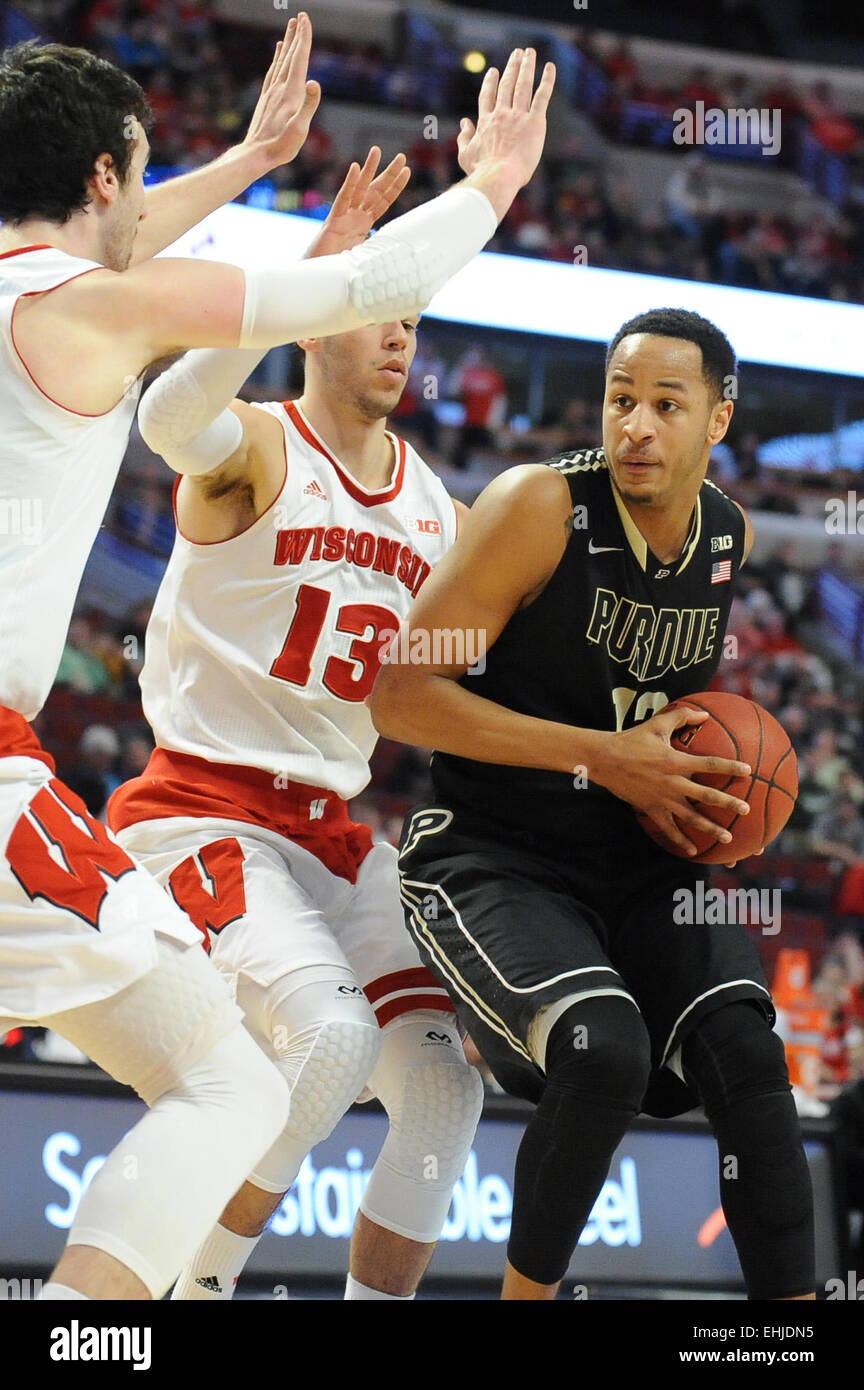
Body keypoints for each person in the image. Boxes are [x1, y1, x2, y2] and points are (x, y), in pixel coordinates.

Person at [0, 14, 552, 1300]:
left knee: (395, 1075)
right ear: (103, 175)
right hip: (178, 805)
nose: (149, 200)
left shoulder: (34, 284)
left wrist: (249, 159)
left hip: (327, 825)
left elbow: (139, 247)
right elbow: (344, 293)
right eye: (140, 175)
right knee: (235, 1079)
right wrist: (492, 185)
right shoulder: (107, 323)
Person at [371, 307, 815, 1301]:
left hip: (636, 861)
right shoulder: (539, 505)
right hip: (491, 850)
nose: (637, 426)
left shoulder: (726, 536)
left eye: (667, 404)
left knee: (746, 1050)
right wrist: (604, 758)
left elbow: (679, 729)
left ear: (719, 420)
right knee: (602, 1048)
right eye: (622, 399)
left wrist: (709, 803)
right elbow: (398, 693)